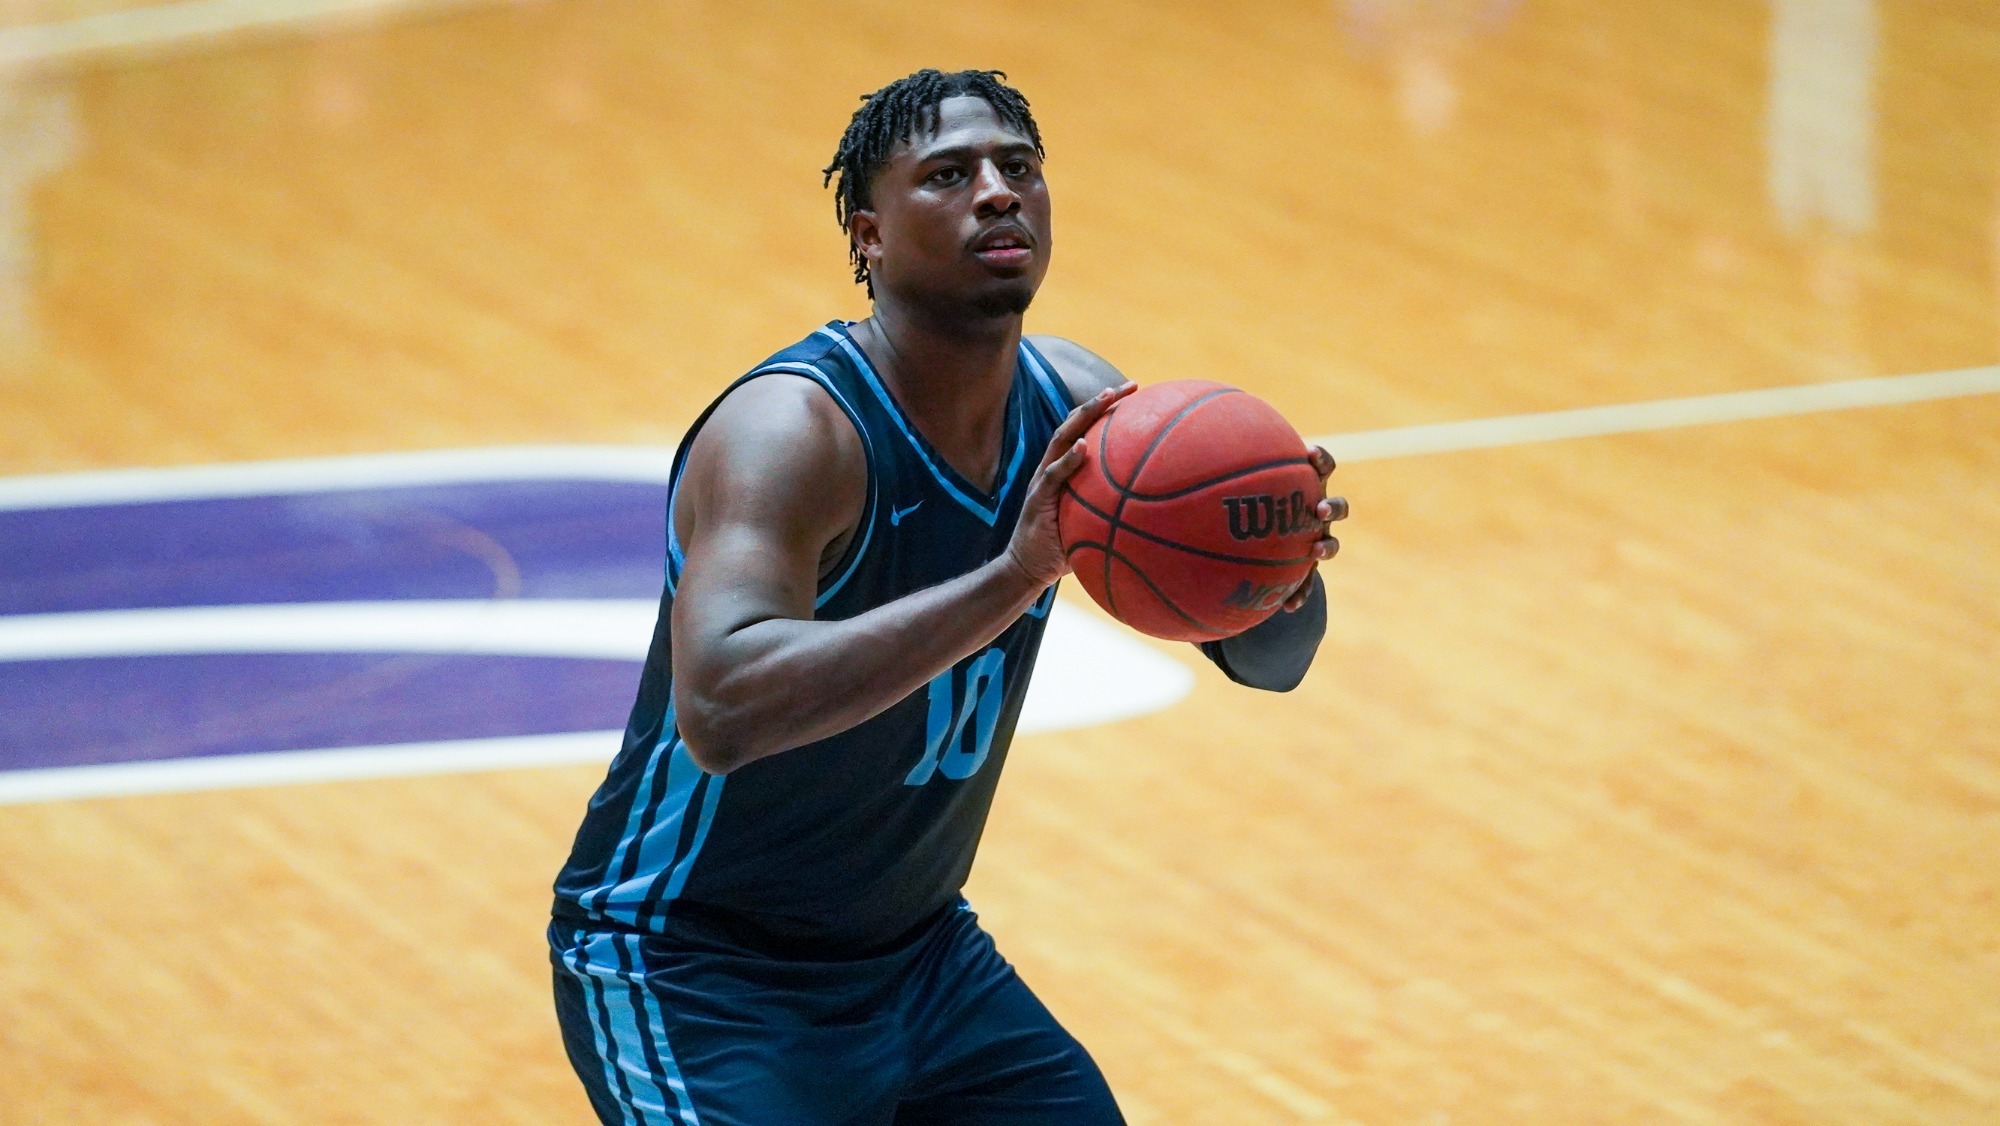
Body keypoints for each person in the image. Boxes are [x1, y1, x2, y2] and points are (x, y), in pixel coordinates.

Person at [549, 68, 1346, 1126]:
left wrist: (1271, 572)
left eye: (1018, 168)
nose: (997, 192)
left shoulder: (1079, 408)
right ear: (868, 236)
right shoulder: (792, 435)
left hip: (919, 961)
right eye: (948, 175)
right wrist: (1012, 574)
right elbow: (724, 708)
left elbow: (1270, 665)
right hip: (696, 969)